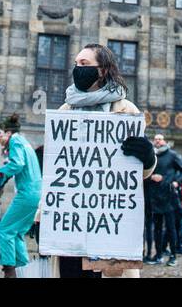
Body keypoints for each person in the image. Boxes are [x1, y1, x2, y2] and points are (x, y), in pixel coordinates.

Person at [57, 42, 156, 278]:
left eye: (84, 64)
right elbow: (56, 171)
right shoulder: (65, 110)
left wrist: (147, 157)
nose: (77, 68)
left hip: (108, 218)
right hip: (72, 218)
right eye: (76, 64)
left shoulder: (126, 110)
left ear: (102, 70)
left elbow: (141, 173)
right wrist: (43, 215)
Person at [0, 113, 41, 277]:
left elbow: (17, 164)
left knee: (4, 230)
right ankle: (23, 271)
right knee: (17, 232)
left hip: (27, 193)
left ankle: (9, 271)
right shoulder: (24, 141)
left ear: (8, 132)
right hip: (36, 194)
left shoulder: (15, 141)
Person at [146, 132, 182, 266]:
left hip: (169, 196)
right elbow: (145, 172)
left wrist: (176, 182)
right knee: (157, 228)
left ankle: (173, 256)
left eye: (160, 139)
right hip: (154, 196)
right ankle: (158, 255)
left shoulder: (172, 155)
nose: (157, 141)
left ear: (164, 141)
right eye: (155, 139)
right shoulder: (151, 156)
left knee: (171, 227)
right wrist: (150, 176)